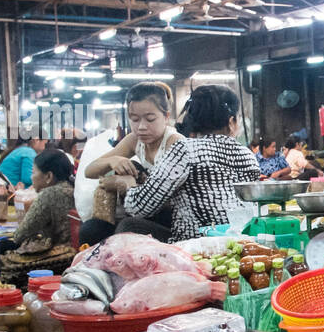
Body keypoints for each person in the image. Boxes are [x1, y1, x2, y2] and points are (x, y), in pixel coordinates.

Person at [118, 84, 261, 242]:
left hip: (195, 243)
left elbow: (140, 207)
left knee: (129, 226)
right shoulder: (247, 155)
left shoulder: (186, 150)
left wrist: (128, 185)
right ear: (232, 121)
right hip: (242, 241)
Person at [80, 82, 182, 244]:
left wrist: (129, 185)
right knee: (91, 229)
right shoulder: (135, 140)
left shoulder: (175, 143)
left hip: (174, 221)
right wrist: (114, 160)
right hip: (144, 210)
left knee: (128, 227)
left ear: (166, 117)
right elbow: (89, 171)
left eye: (150, 119)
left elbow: (166, 201)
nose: (141, 127)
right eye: (134, 119)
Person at [0, 149, 77, 276]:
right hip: (75, 253)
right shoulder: (72, 187)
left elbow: (20, 235)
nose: (31, 177)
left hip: (59, 257)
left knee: (3, 246)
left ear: (49, 177)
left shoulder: (49, 194)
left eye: (33, 172)